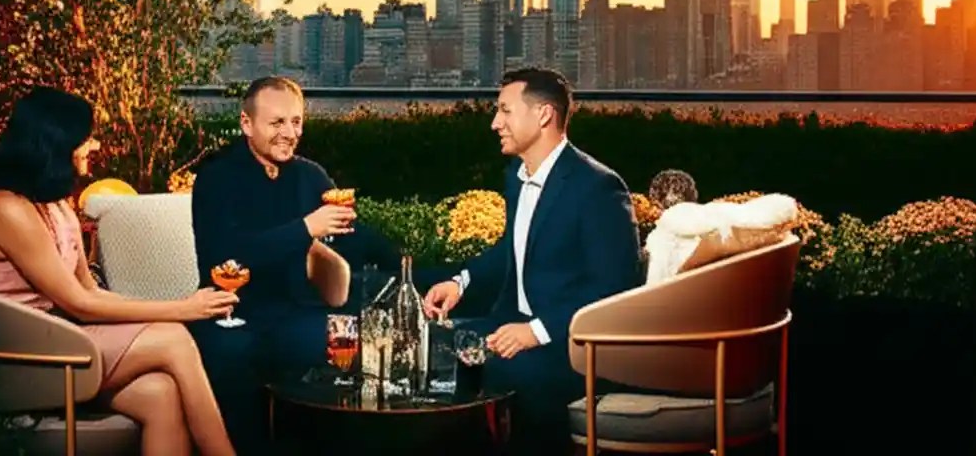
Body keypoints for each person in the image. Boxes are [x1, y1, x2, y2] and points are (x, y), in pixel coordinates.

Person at [0, 87, 238, 456]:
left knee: (161, 393)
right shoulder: (8, 210)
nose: (93, 146)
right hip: (28, 360)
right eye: (85, 138)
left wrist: (178, 306)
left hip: (60, 341)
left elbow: (91, 292)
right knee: (173, 338)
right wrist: (181, 309)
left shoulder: (56, 205)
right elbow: (79, 304)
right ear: (56, 141)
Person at [422, 67, 643, 455]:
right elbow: (512, 250)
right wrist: (460, 283)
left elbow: (614, 289)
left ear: (543, 115)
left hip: (572, 345)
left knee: (509, 372)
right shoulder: (517, 176)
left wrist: (535, 332)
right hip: (515, 322)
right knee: (435, 347)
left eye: (505, 111)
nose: (495, 123)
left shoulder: (599, 188)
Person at [189, 75, 402, 452]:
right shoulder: (217, 175)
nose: (289, 132)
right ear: (246, 123)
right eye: (277, 123)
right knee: (230, 353)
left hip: (298, 310)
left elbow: (353, 244)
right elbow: (225, 256)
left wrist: (406, 269)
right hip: (233, 311)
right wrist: (305, 229)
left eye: (296, 122)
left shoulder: (310, 175)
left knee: (348, 344)